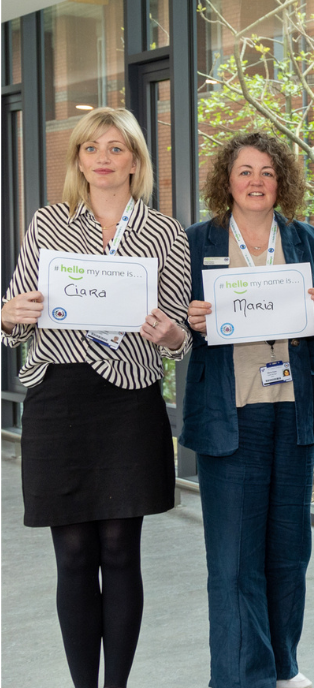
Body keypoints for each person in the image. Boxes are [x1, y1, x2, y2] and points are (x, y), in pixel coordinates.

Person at [0, 107, 191, 688]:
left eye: (116, 148)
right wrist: (9, 317)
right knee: (74, 555)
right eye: (91, 148)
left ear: (136, 159)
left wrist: (170, 335)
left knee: (119, 552)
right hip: (59, 398)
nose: (103, 158)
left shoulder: (164, 233)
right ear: (78, 161)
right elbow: (16, 319)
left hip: (129, 401)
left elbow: (180, 335)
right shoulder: (48, 222)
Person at [180, 132, 314, 688]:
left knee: (289, 550)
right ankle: (240, 676)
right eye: (244, 171)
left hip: (293, 413)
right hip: (230, 415)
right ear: (227, 179)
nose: (255, 181)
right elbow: (175, 326)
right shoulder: (196, 241)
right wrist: (193, 322)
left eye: (267, 172)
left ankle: (282, 667)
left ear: (282, 182)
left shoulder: (306, 241)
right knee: (234, 558)